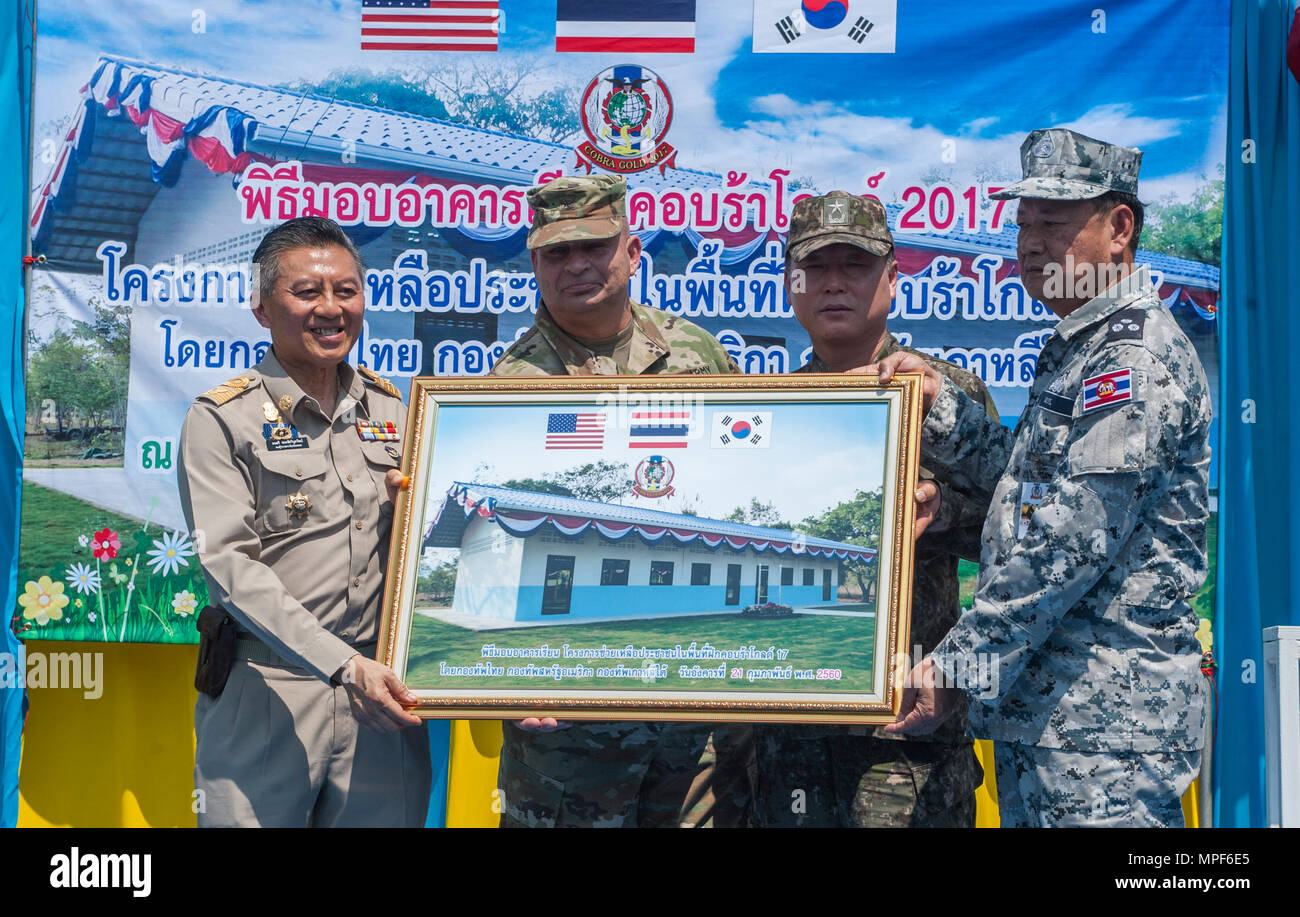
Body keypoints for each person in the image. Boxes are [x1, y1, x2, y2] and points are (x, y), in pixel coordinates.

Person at [875, 128, 1212, 827]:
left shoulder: (1133, 362)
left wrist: (953, 666)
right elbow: (1027, 485)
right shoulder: (1083, 349)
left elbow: (1070, 542)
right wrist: (941, 407)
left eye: (1052, 222)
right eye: (1022, 222)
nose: (1028, 242)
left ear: (1120, 227)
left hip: (1107, 734)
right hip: (1059, 721)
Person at [490, 173, 752, 828]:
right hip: (566, 726)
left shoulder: (698, 354)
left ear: (633, 252)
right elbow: (492, 547)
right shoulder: (504, 387)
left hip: (687, 708)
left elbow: (747, 492)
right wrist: (496, 674)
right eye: (557, 253)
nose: (577, 265)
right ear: (535, 263)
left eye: (595, 246)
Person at [746, 191, 997, 827]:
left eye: (855, 266)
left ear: (891, 277)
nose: (835, 284)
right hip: (792, 719)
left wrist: (941, 512)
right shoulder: (765, 411)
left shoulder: (949, 394)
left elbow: (1019, 536)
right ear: (790, 284)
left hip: (910, 725)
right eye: (816, 267)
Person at [177, 216, 432, 827]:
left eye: (346, 291)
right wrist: (341, 663)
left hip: (380, 697)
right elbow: (229, 565)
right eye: (307, 292)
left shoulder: (399, 409)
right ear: (263, 308)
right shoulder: (222, 420)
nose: (330, 308)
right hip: (268, 689)